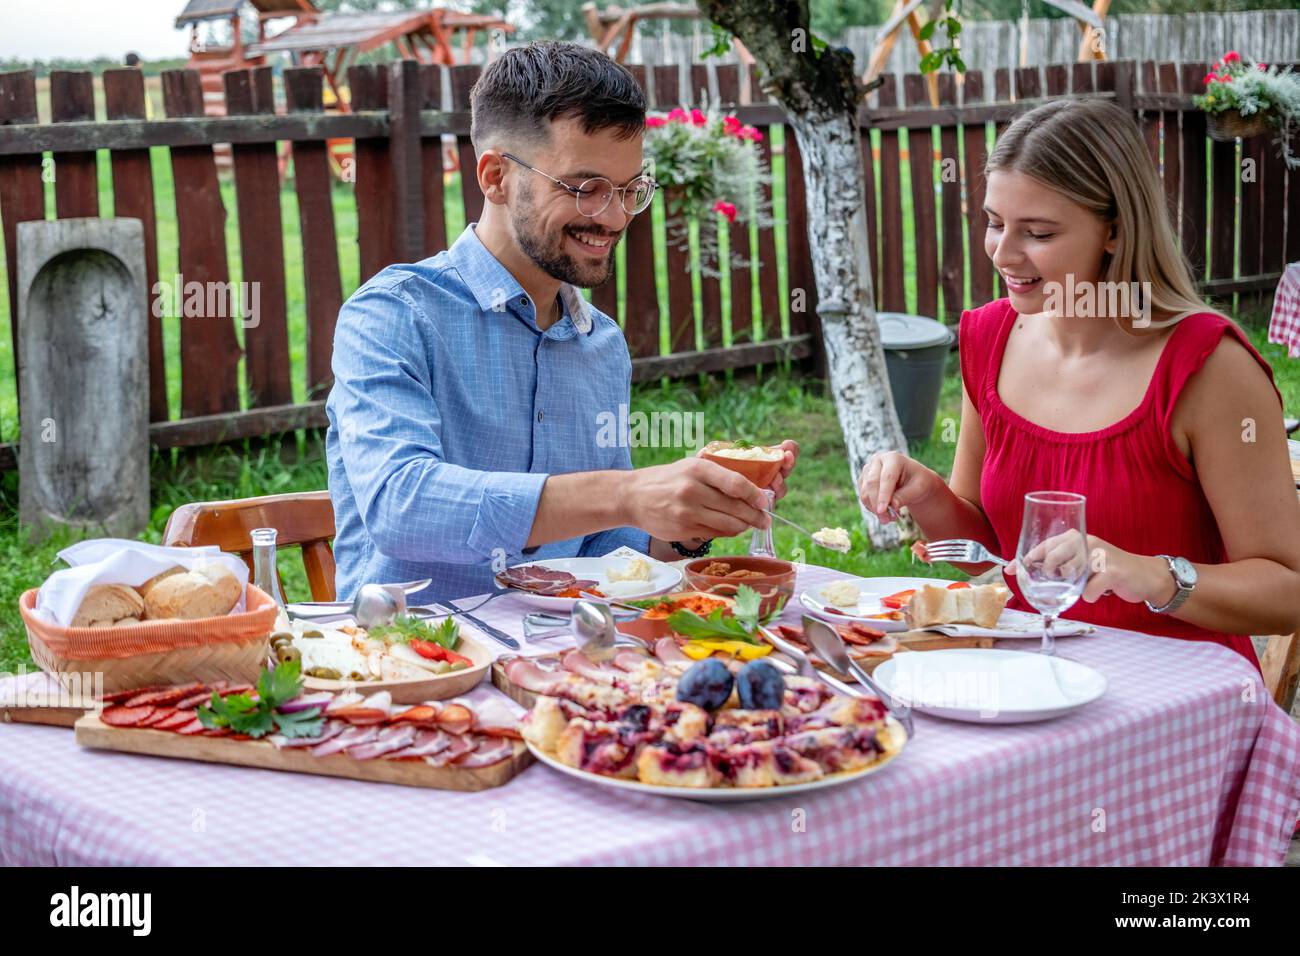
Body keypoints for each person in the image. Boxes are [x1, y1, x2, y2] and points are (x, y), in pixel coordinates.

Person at [326, 42, 797, 603]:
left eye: (629, 190)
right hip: (413, 646)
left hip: (567, 646)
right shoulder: (393, 314)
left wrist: (687, 520)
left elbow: (600, 544)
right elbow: (401, 505)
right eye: (585, 189)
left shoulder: (602, 344)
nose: (615, 218)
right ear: (496, 177)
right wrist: (624, 493)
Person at [859, 97, 1300, 666]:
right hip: (1027, 678)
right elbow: (987, 549)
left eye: (1038, 233)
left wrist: (1149, 574)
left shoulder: (1209, 368)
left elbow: (1287, 592)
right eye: (995, 223)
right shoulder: (989, 339)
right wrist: (926, 494)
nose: (1003, 253)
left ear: (1114, 231)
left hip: (1178, 695)